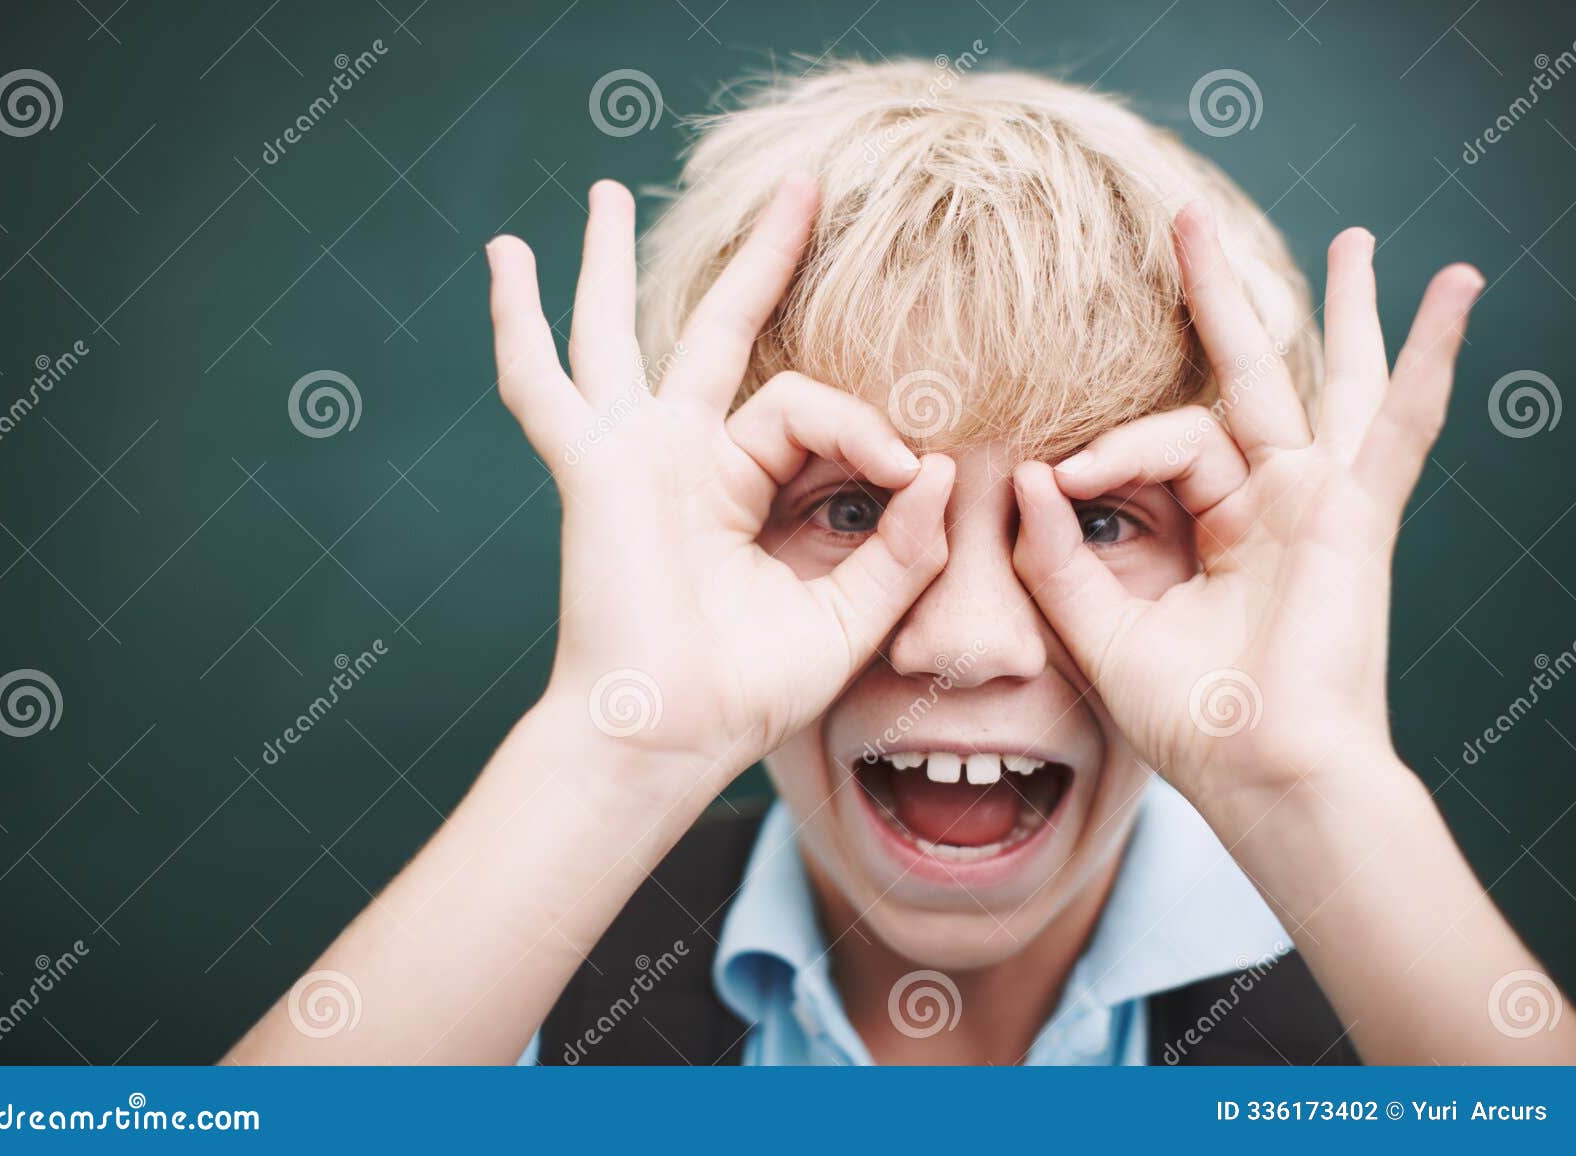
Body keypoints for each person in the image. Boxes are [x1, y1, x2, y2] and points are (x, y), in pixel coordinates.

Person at [227, 60, 1572, 1066]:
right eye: (855, 510)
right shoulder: (530, 1003)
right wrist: (614, 749)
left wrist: (1316, 790)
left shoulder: (1385, 1027)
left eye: (1101, 521)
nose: (968, 641)